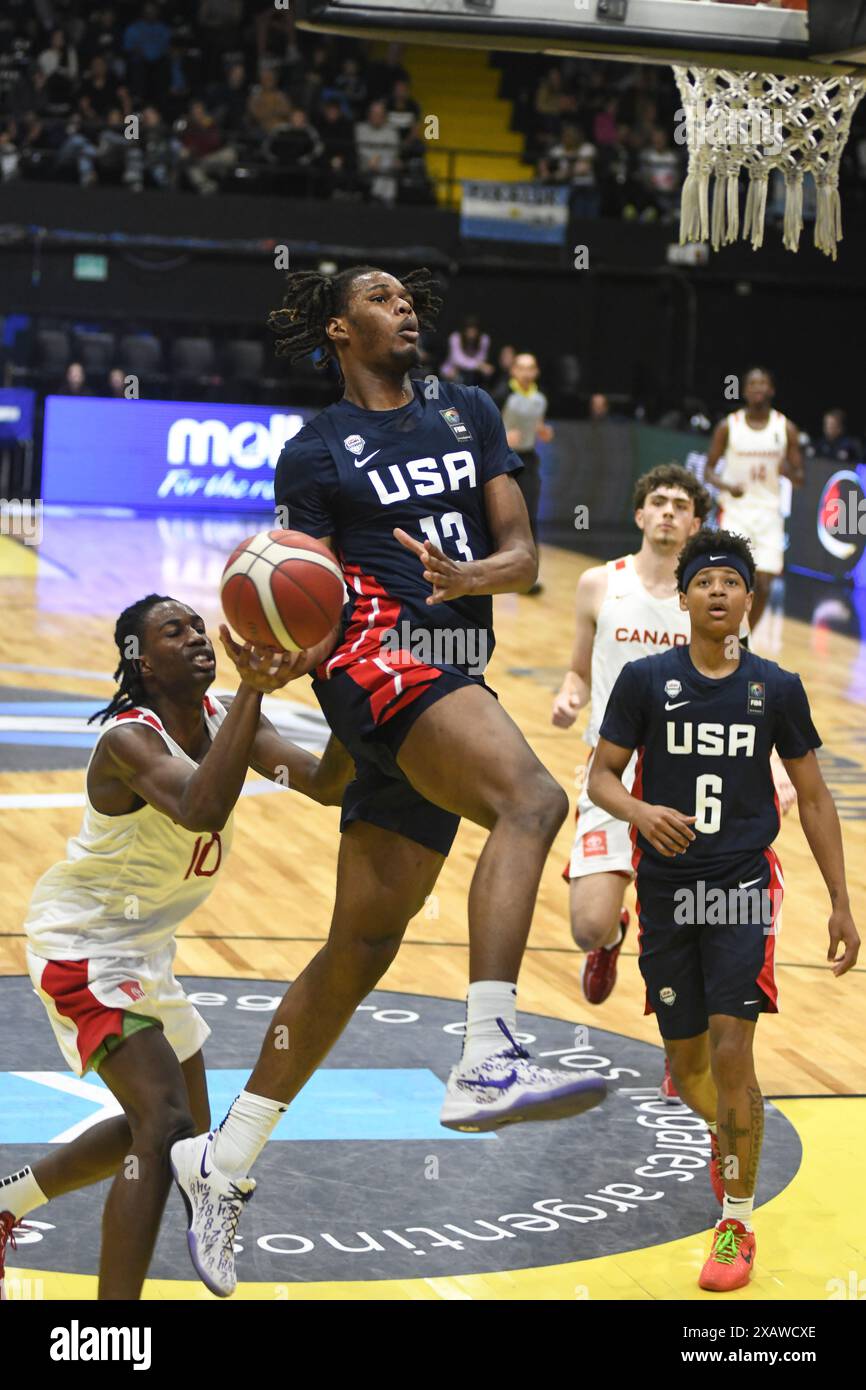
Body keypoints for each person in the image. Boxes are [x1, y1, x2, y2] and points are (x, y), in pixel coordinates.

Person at [170, 264, 607, 1298]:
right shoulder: (315, 450)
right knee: (532, 800)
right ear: (338, 327)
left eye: (407, 295)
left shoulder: (466, 408)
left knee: (359, 946)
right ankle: (488, 1053)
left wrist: (469, 579)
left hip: (450, 662)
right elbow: (296, 588)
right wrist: (280, 661)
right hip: (377, 662)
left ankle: (219, 1161)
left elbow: (519, 554)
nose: (404, 304)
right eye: (378, 295)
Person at [0, 595, 352, 1301]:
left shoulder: (227, 718)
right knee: (165, 1129)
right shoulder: (129, 740)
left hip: (146, 948)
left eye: (198, 626)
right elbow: (201, 808)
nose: (197, 637)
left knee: (178, 1134)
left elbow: (322, 784)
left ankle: (6, 1203)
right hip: (85, 946)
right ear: (142, 661)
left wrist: (346, 683)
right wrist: (256, 686)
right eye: (174, 631)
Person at [586, 528, 859, 1291]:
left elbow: (811, 795)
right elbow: (601, 776)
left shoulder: (778, 687)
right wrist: (638, 814)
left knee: (735, 1054)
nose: (716, 591)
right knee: (689, 1065)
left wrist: (841, 901)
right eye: (703, 581)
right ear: (683, 599)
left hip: (741, 887)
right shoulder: (645, 681)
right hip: (668, 891)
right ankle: (730, 1130)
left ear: (747, 598)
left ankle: (735, 1219)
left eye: (730, 582)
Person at [703, 367, 804, 631]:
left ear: (771, 390)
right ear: (745, 390)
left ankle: (743, 637)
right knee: (732, 577)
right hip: (736, 510)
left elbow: (801, 478)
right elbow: (708, 470)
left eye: (763, 383)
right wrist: (726, 484)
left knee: (764, 585)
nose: (758, 388)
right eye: (752, 383)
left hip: (769, 513)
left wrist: (788, 472)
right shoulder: (729, 426)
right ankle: (719, 630)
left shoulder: (785, 428)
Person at [500, 352, 554, 592]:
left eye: (530, 367)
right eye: (521, 367)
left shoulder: (540, 398)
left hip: (528, 460)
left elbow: (538, 424)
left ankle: (530, 576)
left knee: (530, 517)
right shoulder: (501, 394)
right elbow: (481, 426)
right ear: (513, 371)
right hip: (502, 461)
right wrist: (503, 437)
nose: (526, 372)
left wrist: (543, 431)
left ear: (536, 372)